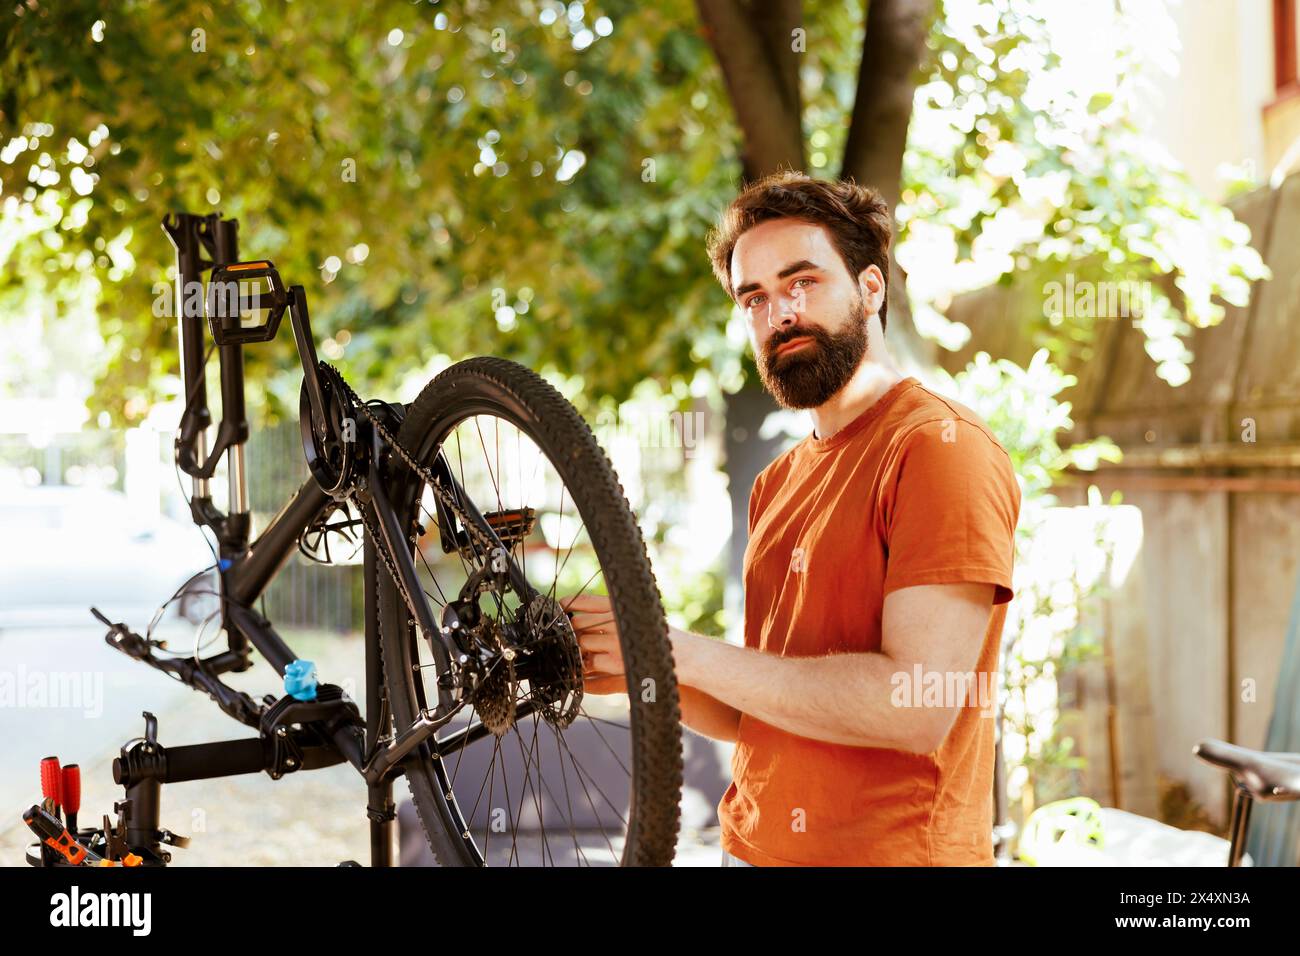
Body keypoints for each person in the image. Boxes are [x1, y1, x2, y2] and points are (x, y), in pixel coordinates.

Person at [564, 171, 1021, 867]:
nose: (779, 313)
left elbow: (915, 706)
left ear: (871, 289)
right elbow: (761, 707)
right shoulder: (779, 480)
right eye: (755, 296)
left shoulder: (937, 448)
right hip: (750, 849)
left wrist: (673, 644)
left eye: (802, 282)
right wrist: (638, 662)